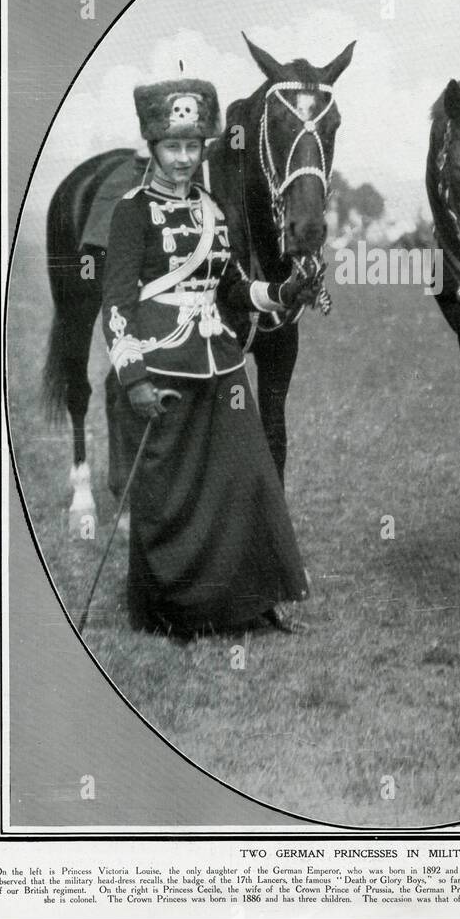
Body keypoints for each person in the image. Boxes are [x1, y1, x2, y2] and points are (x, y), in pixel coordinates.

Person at [101, 76, 315, 639]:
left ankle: (248, 602)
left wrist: (285, 291)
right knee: (169, 496)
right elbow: (116, 303)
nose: (183, 158)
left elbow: (234, 287)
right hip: (162, 367)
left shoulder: (213, 209)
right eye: (172, 146)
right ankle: (175, 610)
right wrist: (134, 377)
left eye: (193, 146)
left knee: (246, 479)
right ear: (153, 146)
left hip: (221, 364)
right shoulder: (132, 213)